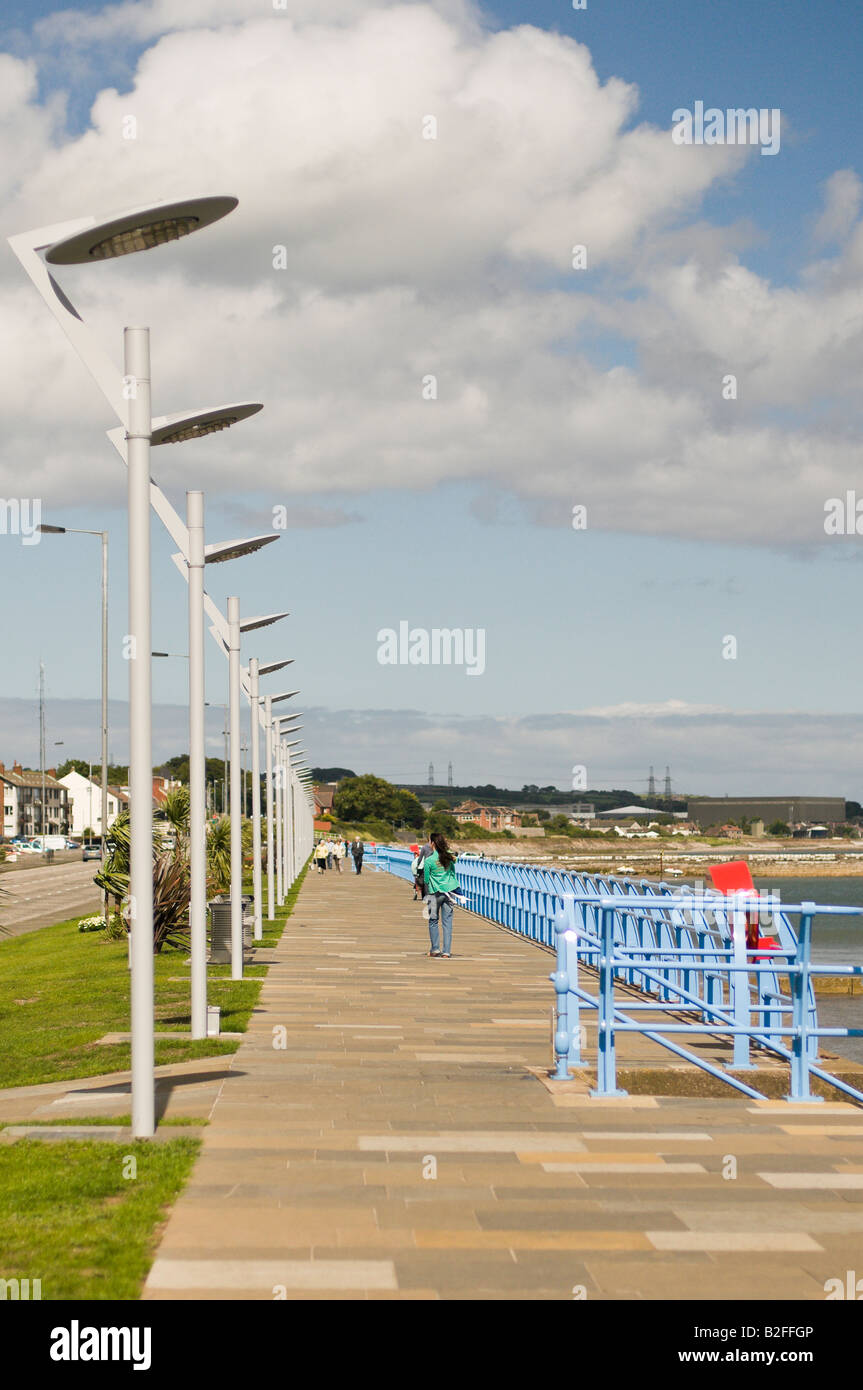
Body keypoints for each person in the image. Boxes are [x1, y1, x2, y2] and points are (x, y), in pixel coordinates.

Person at [423, 831, 459, 958]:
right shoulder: (449, 857)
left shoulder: (429, 860)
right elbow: (455, 865)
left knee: (433, 921)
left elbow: (426, 879)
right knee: (447, 922)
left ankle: (435, 949)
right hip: (449, 892)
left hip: (434, 893)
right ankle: (446, 951)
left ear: (432, 843)